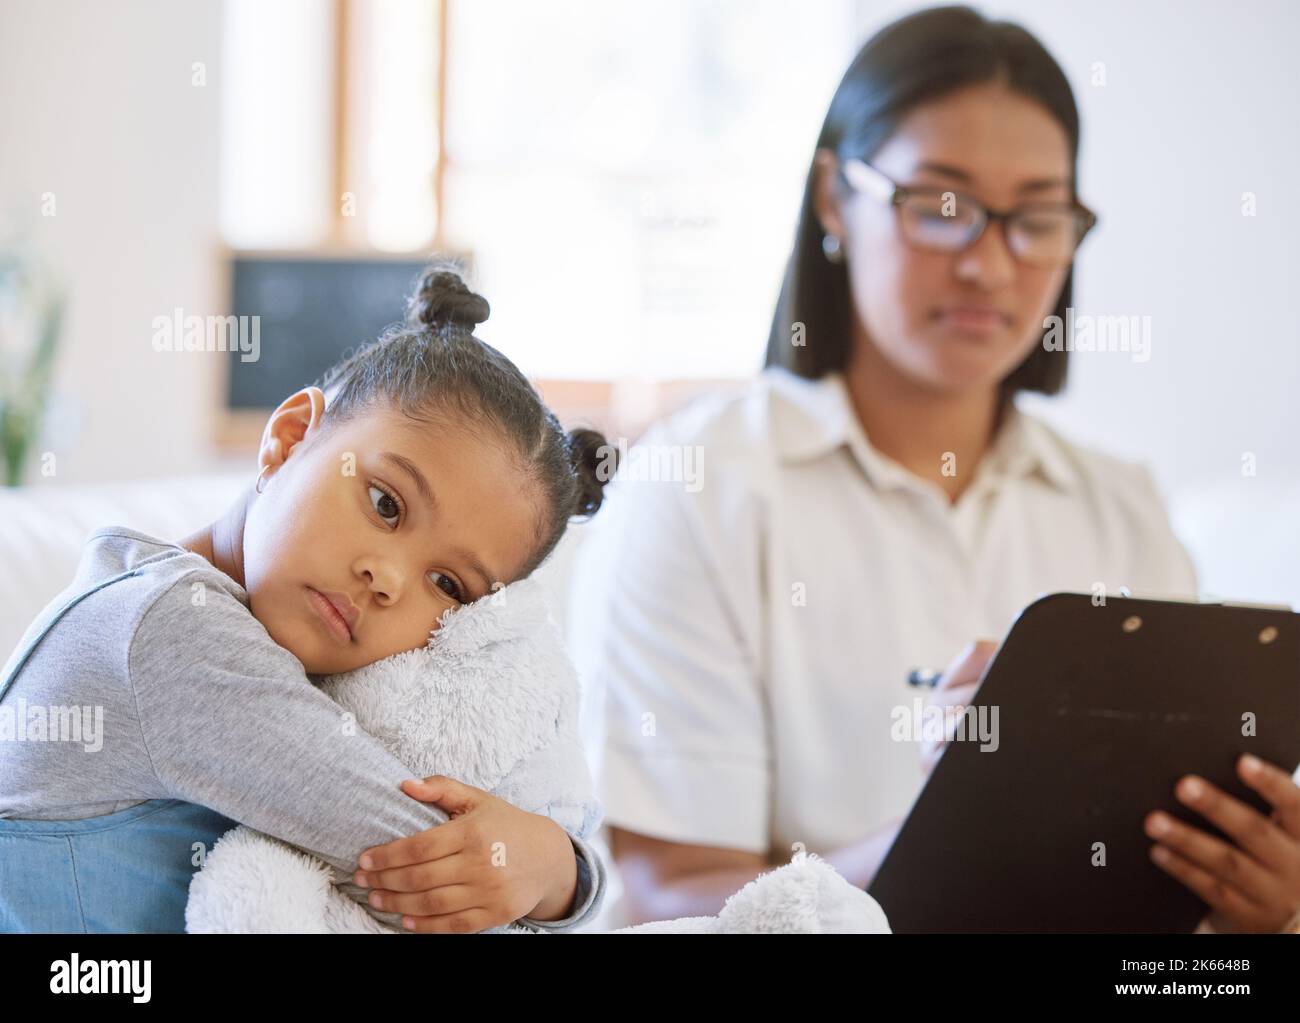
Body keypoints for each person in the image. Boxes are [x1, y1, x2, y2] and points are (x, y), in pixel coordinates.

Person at [567, 5, 1300, 932]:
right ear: (836, 197)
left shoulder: (1124, 509)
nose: (990, 264)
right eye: (942, 206)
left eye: (1036, 218)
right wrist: (949, 825)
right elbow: (665, 895)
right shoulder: (697, 488)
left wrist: (1249, 913)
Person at [0, 267, 614, 933]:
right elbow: (422, 864)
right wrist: (561, 869)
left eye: (448, 585)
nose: (388, 579)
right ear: (289, 437)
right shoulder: (172, 632)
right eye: (386, 503)